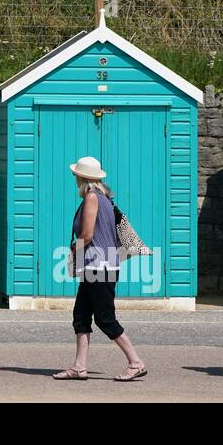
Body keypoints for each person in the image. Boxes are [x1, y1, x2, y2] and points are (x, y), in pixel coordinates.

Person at [53, 156, 148, 382]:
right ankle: (79, 366)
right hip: (99, 265)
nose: (74, 178)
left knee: (105, 318)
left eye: (76, 174)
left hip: (99, 266)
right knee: (81, 316)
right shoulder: (104, 197)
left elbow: (87, 234)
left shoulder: (92, 198)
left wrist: (74, 250)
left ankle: (136, 362)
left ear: (82, 177)